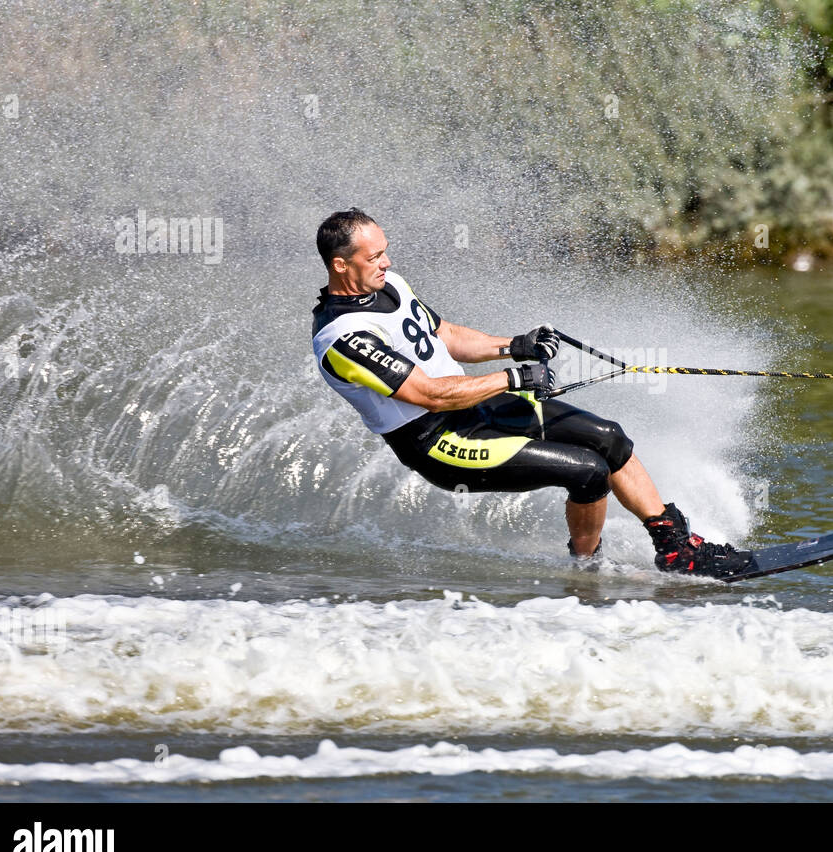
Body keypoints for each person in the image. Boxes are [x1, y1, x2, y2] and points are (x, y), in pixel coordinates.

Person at [310, 207, 753, 578]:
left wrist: (514, 346)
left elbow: (445, 334)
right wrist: (512, 378)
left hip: (478, 403)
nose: (386, 262)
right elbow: (429, 395)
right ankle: (586, 574)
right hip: (437, 440)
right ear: (340, 264)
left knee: (609, 437)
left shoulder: (391, 284)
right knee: (588, 472)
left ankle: (677, 549)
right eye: (374, 257)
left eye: (386, 251)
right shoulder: (344, 338)